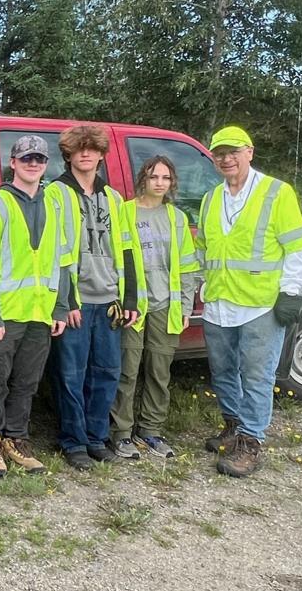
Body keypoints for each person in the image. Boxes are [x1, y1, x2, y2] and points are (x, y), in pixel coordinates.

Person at [197, 126, 302, 477]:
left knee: (258, 375)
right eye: (219, 153)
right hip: (219, 301)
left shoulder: (276, 192)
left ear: (250, 151)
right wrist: (202, 284)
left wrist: (292, 291)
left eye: (233, 151)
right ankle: (232, 426)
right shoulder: (211, 197)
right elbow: (205, 247)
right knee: (222, 372)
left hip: (260, 303)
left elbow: (297, 247)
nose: (226, 158)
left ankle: (251, 440)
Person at [0, 135, 69, 477]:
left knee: (26, 383)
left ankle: (17, 438)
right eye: (26, 158)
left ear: (46, 165)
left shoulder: (54, 204)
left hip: (41, 314)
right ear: (12, 163)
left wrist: (61, 308)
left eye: (39, 159)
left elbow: (63, 261)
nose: (33, 164)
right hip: (5, 315)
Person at [45, 124, 140, 471]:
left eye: (92, 148)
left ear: (101, 154)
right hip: (77, 300)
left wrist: (129, 300)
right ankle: (73, 441)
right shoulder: (55, 193)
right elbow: (53, 253)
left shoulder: (114, 199)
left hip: (110, 301)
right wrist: (65, 301)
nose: (85, 154)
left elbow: (127, 249)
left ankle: (97, 438)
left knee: (106, 372)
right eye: (78, 148)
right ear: (68, 154)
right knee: (71, 374)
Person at [108, 156, 201, 459]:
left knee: (159, 372)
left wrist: (186, 305)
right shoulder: (124, 212)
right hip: (133, 307)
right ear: (142, 180)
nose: (159, 182)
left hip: (166, 306)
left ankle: (151, 431)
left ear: (171, 182)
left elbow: (188, 267)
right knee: (127, 371)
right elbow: (113, 259)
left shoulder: (176, 218)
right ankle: (121, 433)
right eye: (153, 177)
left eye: (165, 177)